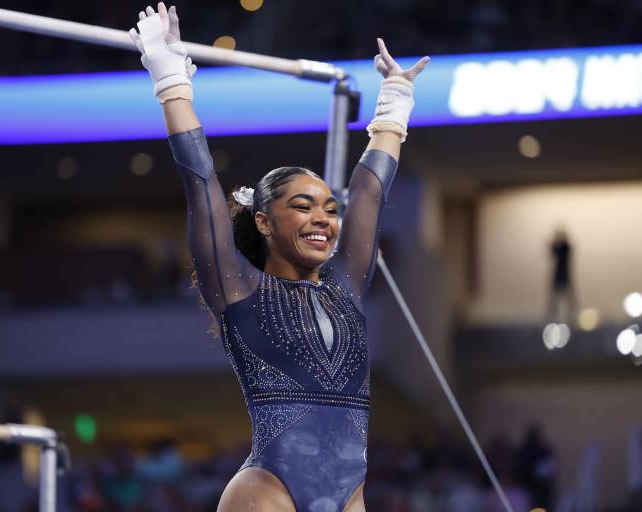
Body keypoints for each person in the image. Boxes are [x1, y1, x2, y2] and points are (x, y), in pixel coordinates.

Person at [129, 4, 429, 511]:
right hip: (268, 491)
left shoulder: (346, 287)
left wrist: (395, 102)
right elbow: (200, 182)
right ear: (264, 221)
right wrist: (169, 75)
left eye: (330, 210)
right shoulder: (239, 289)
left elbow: (370, 193)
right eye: (303, 206)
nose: (324, 219)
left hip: (349, 494)